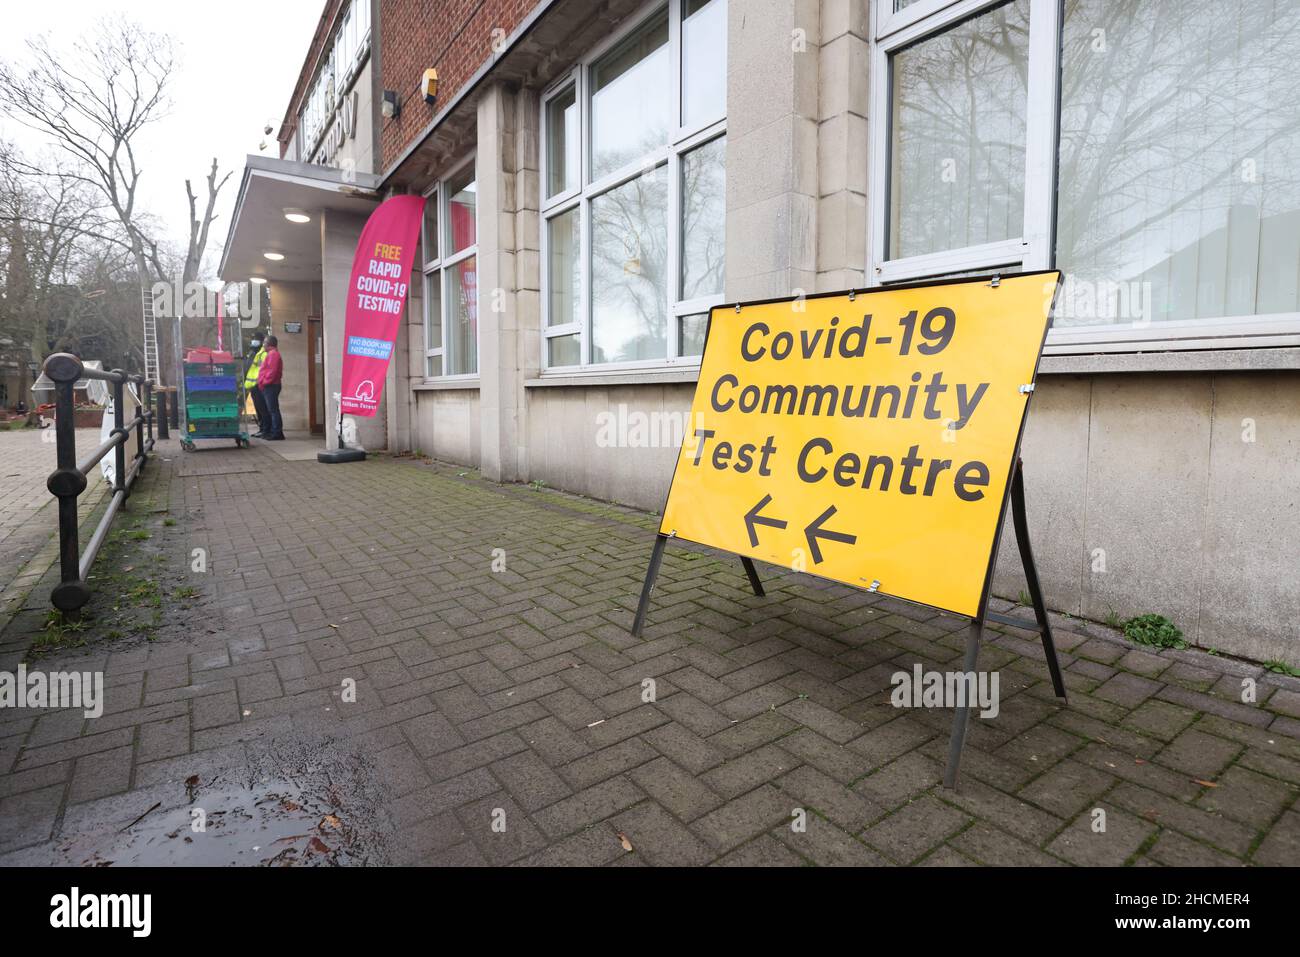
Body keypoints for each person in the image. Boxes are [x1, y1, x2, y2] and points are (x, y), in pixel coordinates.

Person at [257, 334, 285, 440]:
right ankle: (275, 432)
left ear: (269, 344)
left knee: (273, 410)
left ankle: (277, 433)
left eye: (264, 342)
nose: (263, 344)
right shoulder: (272, 354)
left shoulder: (273, 355)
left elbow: (271, 372)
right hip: (269, 385)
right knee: (272, 410)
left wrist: (264, 382)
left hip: (271, 386)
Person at [244, 338, 270, 437]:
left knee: (263, 409)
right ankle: (262, 429)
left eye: (257, 339)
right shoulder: (253, 353)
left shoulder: (263, 354)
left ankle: (265, 430)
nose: (254, 341)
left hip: (260, 385)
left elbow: (265, 369)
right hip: (253, 385)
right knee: (258, 409)